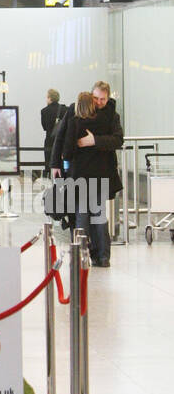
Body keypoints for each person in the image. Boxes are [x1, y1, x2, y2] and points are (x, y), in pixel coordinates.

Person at [61, 90, 115, 267]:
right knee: (99, 217)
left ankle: (80, 255)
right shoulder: (103, 120)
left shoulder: (75, 122)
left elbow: (67, 151)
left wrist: (65, 158)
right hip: (100, 175)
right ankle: (104, 257)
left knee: (81, 217)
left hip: (80, 177)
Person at [40, 89, 67, 177]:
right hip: (62, 142)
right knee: (61, 165)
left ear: (50, 98)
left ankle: (49, 184)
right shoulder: (64, 109)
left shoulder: (44, 111)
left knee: (48, 164)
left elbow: (44, 127)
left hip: (49, 142)